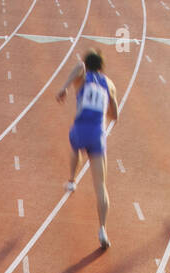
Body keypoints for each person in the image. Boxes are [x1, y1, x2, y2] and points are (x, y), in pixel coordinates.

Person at [56, 50, 119, 250]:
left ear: (87, 64)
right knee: (101, 186)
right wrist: (107, 103)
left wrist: (65, 88)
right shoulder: (109, 84)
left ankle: (72, 180)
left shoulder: (81, 77)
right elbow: (114, 115)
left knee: (75, 145)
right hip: (98, 134)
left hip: (80, 129)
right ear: (102, 66)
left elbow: (79, 67)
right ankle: (102, 228)